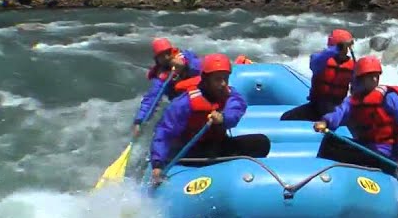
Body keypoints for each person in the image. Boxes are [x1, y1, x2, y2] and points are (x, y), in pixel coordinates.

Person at [149, 53, 271, 186]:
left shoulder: (230, 94)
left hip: (217, 146)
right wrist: (157, 164)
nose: (223, 84)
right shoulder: (185, 102)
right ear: (206, 80)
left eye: (225, 78)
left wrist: (223, 118)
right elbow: (164, 132)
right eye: (218, 79)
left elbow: (236, 109)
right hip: (190, 151)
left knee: (261, 142)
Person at [313, 56, 398, 175]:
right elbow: (339, 113)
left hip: (386, 154)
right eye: (370, 76)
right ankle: (321, 174)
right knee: (330, 141)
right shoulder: (353, 100)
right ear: (361, 78)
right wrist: (326, 122)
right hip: (366, 148)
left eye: (377, 76)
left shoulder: (389, 98)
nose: (375, 79)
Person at [132, 37, 201, 138]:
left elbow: (202, 67)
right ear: (157, 59)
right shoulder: (161, 77)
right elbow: (151, 99)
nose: (166, 57)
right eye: (162, 56)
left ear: (172, 51)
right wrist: (139, 121)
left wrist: (186, 65)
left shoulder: (186, 57)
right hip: (182, 105)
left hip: (201, 95)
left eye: (168, 53)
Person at [281, 28, 356, 122]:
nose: (345, 49)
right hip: (316, 106)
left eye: (347, 46)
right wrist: (336, 48)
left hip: (336, 108)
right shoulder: (320, 60)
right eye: (342, 46)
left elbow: (356, 90)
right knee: (286, 117)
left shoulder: (353, 66)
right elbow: (315, 62)